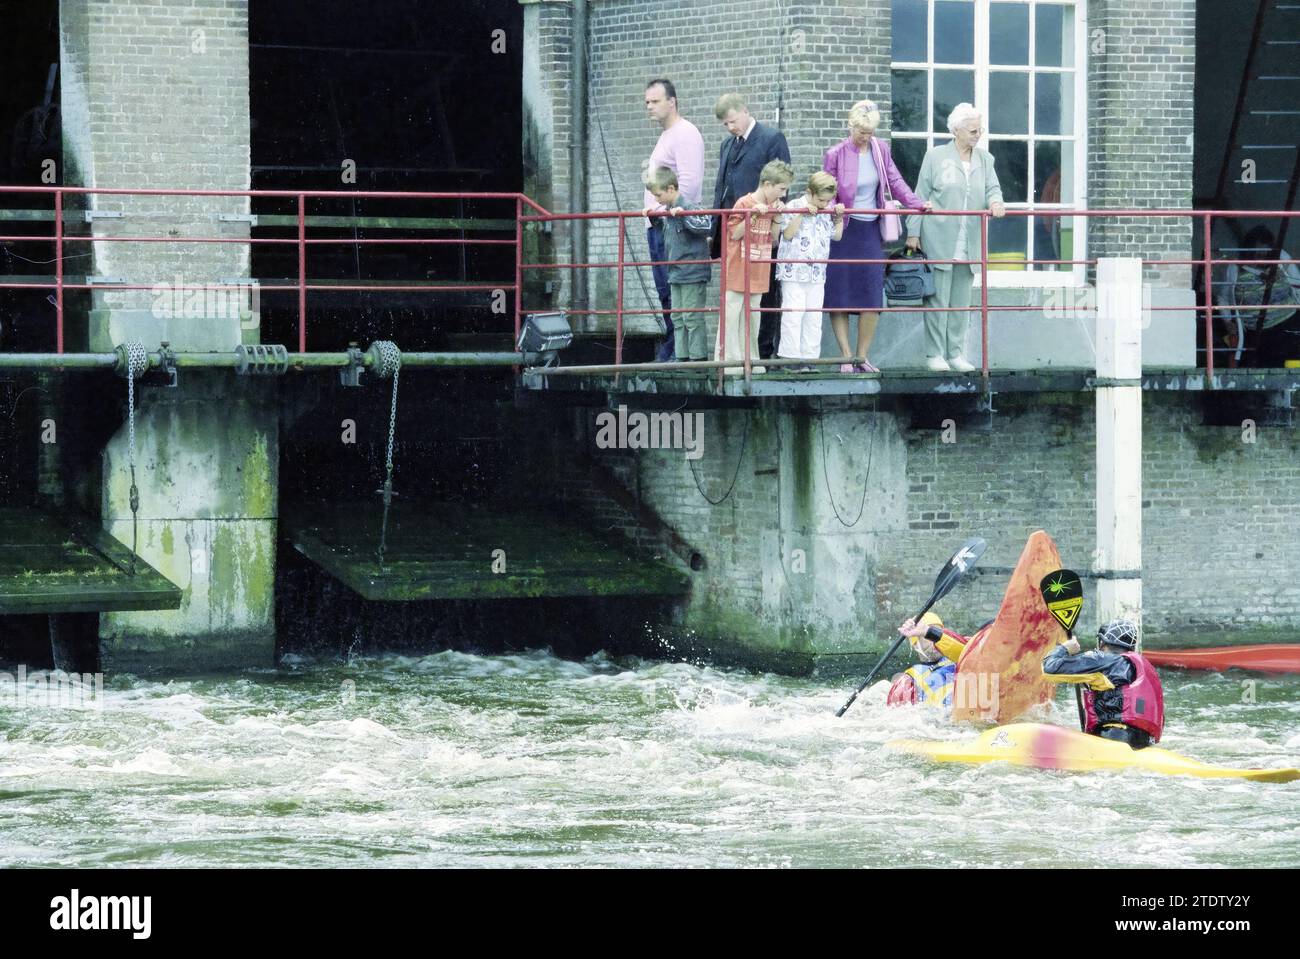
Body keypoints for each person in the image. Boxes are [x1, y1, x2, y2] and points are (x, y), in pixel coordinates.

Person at [824, 99, 929, 373]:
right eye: (862, 132)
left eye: (870, 132)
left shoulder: (880, 149)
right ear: (851, 126)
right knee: (840, 292)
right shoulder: (835, 153)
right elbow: (826, 188)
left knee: (872, 293)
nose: (866, 137)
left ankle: (862, 356)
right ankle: (846, 357)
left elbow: (895, 181)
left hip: (871, 229)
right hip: (844, 229)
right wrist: (831, 205)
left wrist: (916, 203)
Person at [905, 102, 1006, 373]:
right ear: (957, 130)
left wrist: (996, 202)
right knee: (937, 300)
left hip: (969, 238)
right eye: (973, 130)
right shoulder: (935, 156)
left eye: (980, 129)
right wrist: (913, 231)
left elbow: (992, 188)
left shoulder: (985, 159)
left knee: (961, 301)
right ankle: (935, 354)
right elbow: (920, 195)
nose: (978, 134)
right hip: (938, 234)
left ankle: (956, 354)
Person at [711, 93, 792, 359]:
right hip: (734, 230)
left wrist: (772, 215)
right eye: (725, 124)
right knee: (734, 298)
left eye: (732, 121)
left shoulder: (771, 138)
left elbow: (781, 182)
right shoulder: (727, 145)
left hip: (760, 231)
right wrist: (715, 231)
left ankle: (762, 353)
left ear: (744, 111)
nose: (730, 127)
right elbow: (721, 187)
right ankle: (731, 356)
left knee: (761, 295)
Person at [643, 79, 705, 364]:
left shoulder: (685, 133)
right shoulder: (666, 136)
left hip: (670, 224)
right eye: (647, 102)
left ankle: (676, 351)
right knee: (665, 287)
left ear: (672, 101)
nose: (649, 107)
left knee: (673, 287)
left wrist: (671, 215)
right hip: (658, 222)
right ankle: (675, 348)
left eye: (655, 101)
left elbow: (689, 183)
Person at [717, 159, 794, 374]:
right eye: (781, 189)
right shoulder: (744, 202)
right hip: (738, 267)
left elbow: (775, 239)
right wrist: (754, 216)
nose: (783, 194)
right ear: (767, 184)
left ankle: (750, 360)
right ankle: (729, 363)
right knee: (732, 315)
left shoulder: (773, 206)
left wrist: (777, 217)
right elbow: (735, 233)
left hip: (759, 268)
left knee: (753, 317)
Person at [1040, 618, 1165, 749]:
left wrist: (1064, 648)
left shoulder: (1102, 659)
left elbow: (1050, 668)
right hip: (1143, 742)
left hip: (1113, 737)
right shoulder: (1141, 667)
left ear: (1102, 643)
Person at [775, 171, 844, 371]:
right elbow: (786, 235)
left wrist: (838, 218)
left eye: (827, 201)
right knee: (794, 313)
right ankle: (790, 358)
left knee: (813, 316)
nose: (824, 204)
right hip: (793, 270)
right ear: (809, 192)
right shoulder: (793, 206)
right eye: (821, 200)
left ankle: (810, 358)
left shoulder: (827, 210)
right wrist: (801, 214)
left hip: (817, 271)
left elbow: (836, 237)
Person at [645, 166, 713, 362]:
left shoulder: (689, 207)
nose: (656, 199)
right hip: (675, 272)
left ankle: (697, 358)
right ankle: (682, 356)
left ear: (671, 189)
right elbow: (665, 231)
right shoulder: (666, 212)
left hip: (692, 272)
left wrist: (683, 215)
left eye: (658, 195)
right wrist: (652, 215)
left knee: (692, 317)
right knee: (678, 317)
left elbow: (706, 226)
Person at [886, 612, 973, 707]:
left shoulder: (964, 648)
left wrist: (928, 632)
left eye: (937, 632)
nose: (935, 640)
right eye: (927, 636)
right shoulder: (908, 681)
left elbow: (974, 652)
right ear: (915, 645)